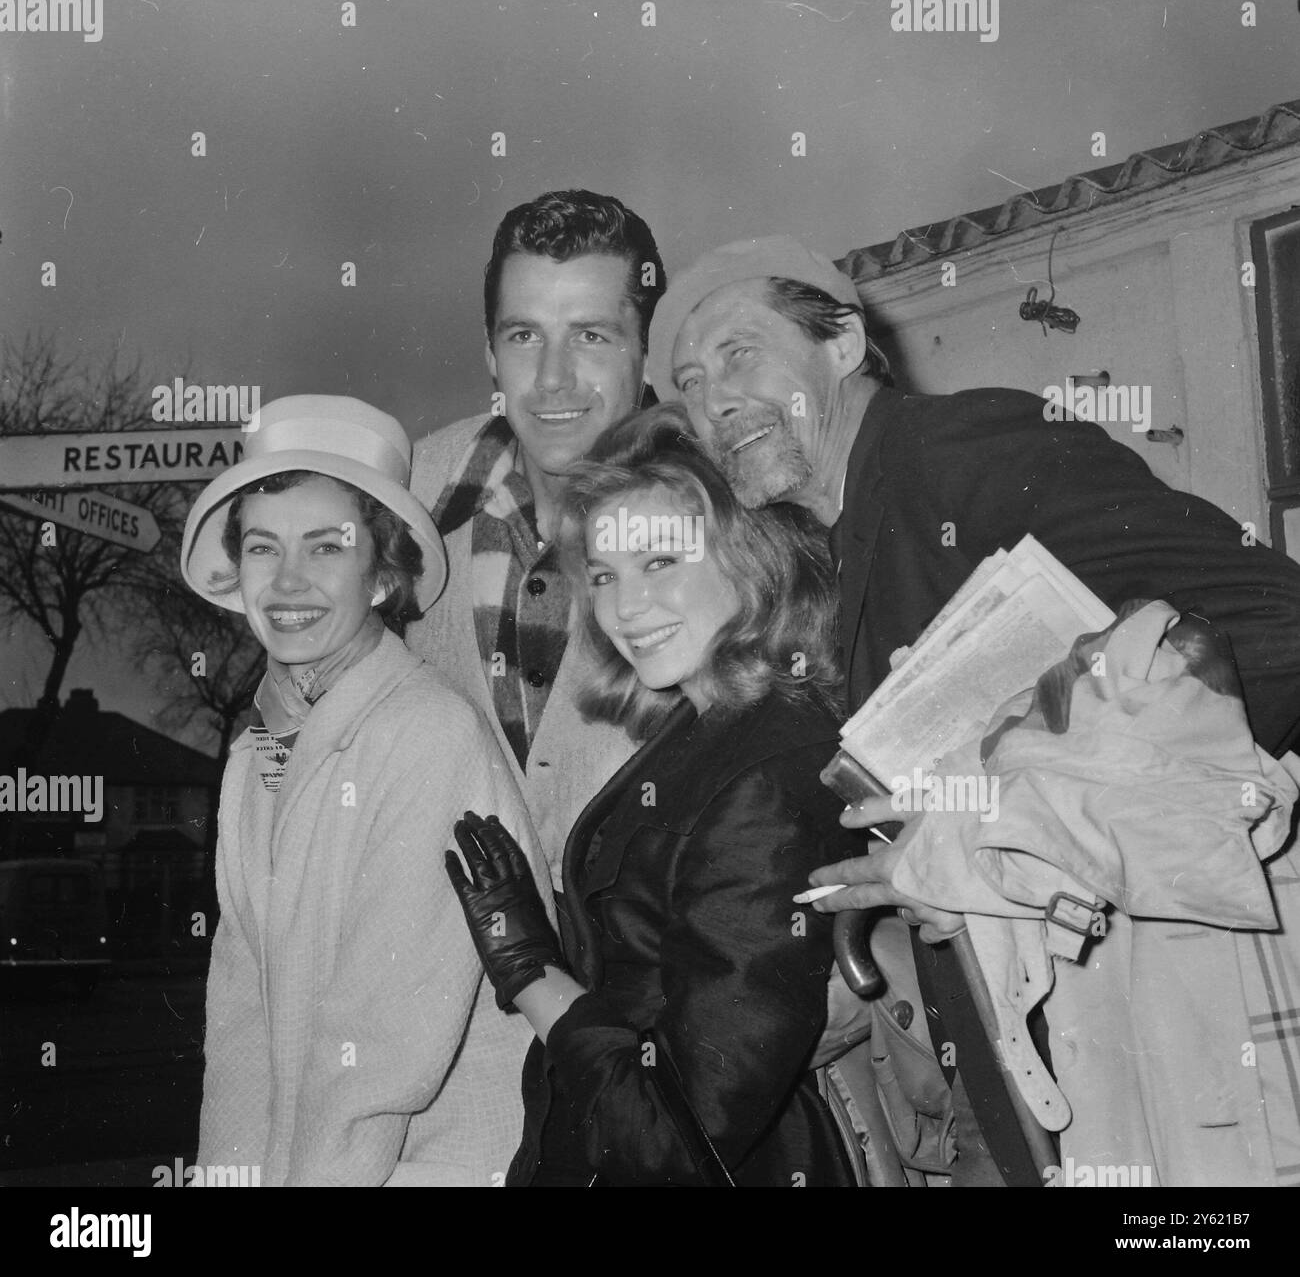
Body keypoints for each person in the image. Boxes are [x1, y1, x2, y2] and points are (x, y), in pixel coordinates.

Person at [643, 234, 1300, 1181]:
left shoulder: (960, 452)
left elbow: (1273, 631)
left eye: (740, 354)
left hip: (1185, 1028)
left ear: (841, 344)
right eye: (689, 381)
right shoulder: (842, 544)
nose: (713, 401)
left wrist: (990, 837)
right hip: (1065, 1055)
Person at [445, 403, 868, 1186]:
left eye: (660, 563)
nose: (624, 607)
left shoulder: (768, 769)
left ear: (749, 558)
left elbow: (676, 1142)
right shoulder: (710, 724)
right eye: (603, 575)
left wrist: (530, 970)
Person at [182, 394, 548, 1186]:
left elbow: (380, 1056)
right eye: (262, 548)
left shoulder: (427, 736)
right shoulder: (260, 748)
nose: (287, 582)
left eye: (325, 548)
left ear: (383, 576)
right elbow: (243, 1017)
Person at [407, 189, 666, 879]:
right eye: (524, 336)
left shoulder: (722, 518)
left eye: (590, 335)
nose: (553, 379)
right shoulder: (407, 496)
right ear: (491, 354)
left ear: (646, 347)